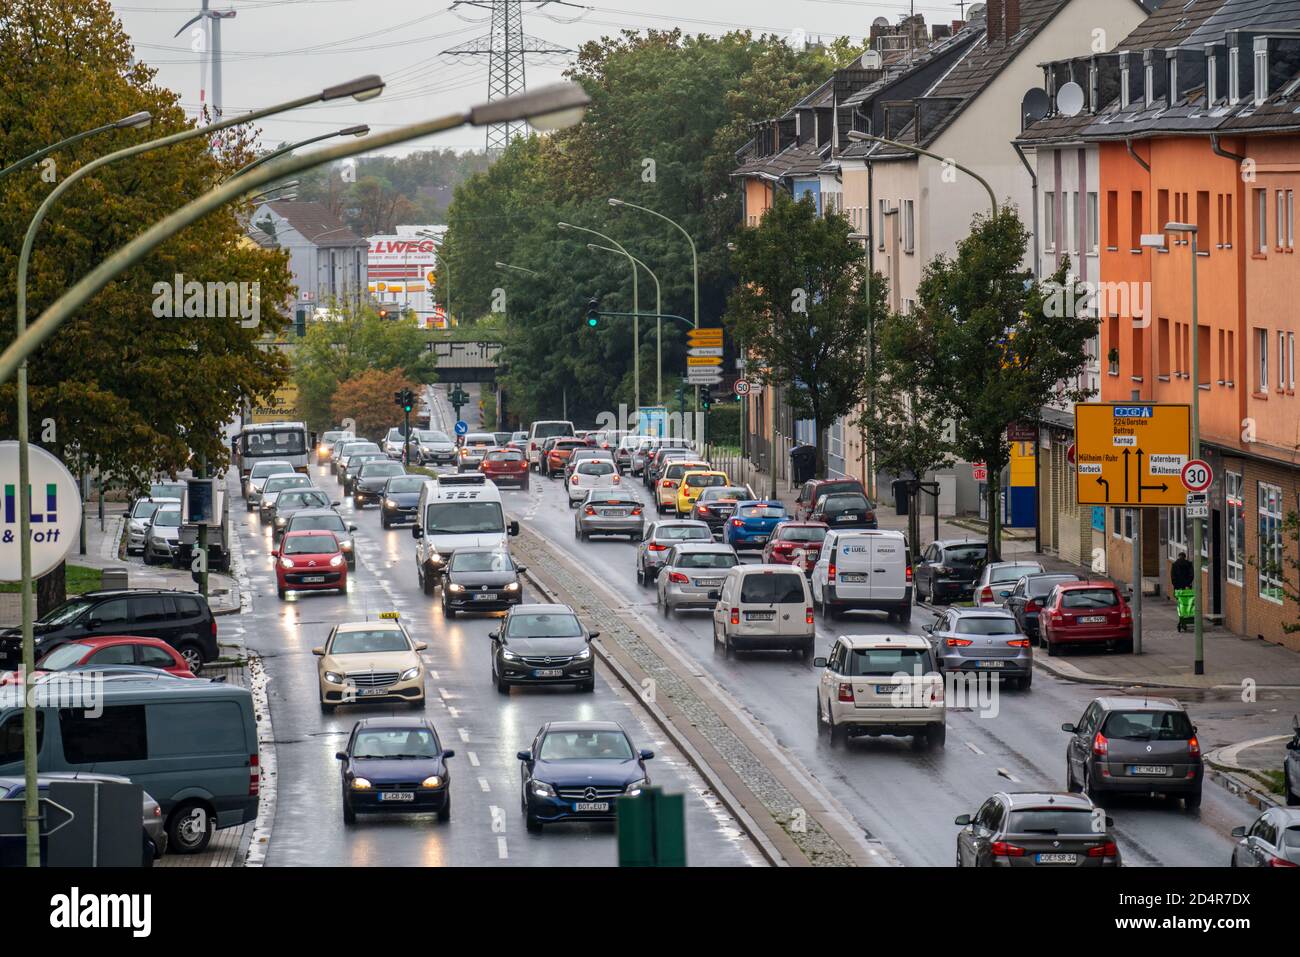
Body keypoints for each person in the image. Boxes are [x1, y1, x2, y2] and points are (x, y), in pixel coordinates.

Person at [1170, 550, 1195, 632]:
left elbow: (1173, 577)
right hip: (1187, 588)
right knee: (1189, 603)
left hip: (1178, 589)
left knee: (1181, 605)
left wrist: (1176, 586)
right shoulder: (1189, 564)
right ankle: (1188, 617)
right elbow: (1191, 575)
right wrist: (1188, 584)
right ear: (1185, 557)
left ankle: (1182, 620)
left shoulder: (1175, 564)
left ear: (1179, 556)